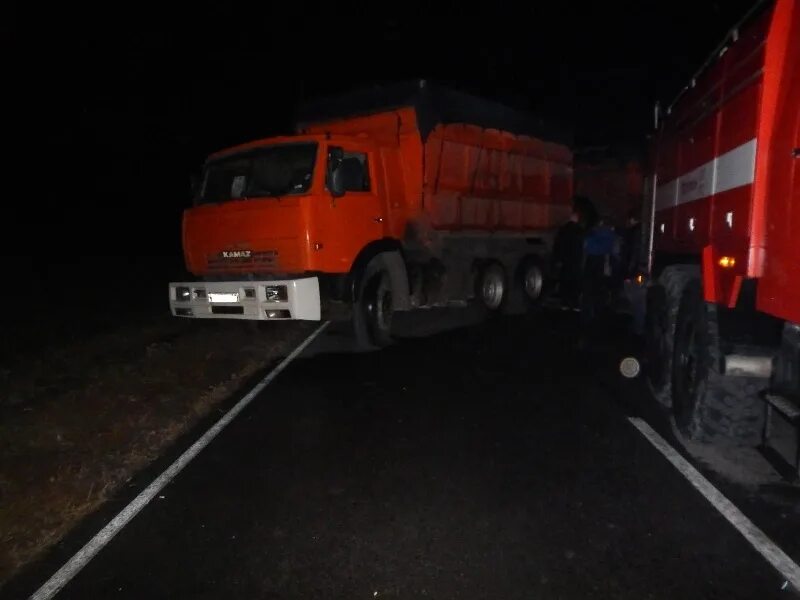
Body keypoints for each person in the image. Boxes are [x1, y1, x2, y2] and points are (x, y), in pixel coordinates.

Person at [580, 212, 620, 328]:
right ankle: (598, 314)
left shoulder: (592, 234)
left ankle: (586, 316)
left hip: (591, 262)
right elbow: (614, 252)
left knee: (588, 290)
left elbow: (585, 247)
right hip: (602, 263)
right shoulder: (612, 236)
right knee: (599, 289)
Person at [552, 202, 587, 310]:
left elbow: (557, 245)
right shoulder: (580, 231)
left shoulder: (563, 229)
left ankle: (564, 303)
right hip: (576, 260)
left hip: (565, 260)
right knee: (575, 283)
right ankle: (575, 303)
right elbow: (583, 246)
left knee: (565, 281)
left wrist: (558, 258)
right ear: (577, 218)